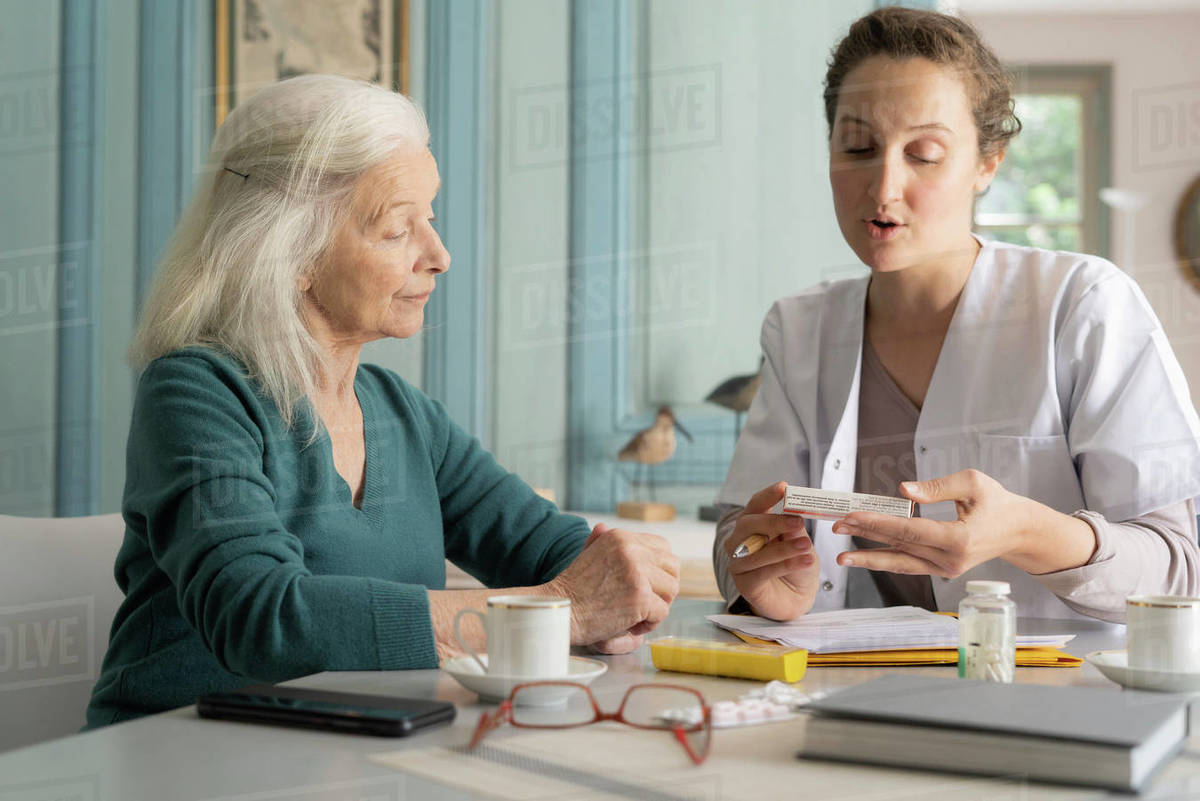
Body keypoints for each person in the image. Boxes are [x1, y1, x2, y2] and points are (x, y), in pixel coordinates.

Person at [86, 75, 679, 727]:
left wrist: (626, 577)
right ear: (295, 253)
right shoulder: (196, 391)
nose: (440, 255)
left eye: (430, 217)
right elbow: (262, 617)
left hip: (355, 753)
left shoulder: (402, 413)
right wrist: (565, 606)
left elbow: (554, 552)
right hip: (175, 760)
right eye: (399, 228)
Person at [712, 7, 1200, 625]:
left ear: (987, 162)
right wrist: (758, 573)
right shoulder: (799, 330)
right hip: (856, 694)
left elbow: (1179, 568)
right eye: (858, 146)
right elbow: (740, 528)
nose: (884, 186)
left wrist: (1027, 533)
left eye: (925, 153)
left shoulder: (1083, 305)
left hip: (1061, 701)